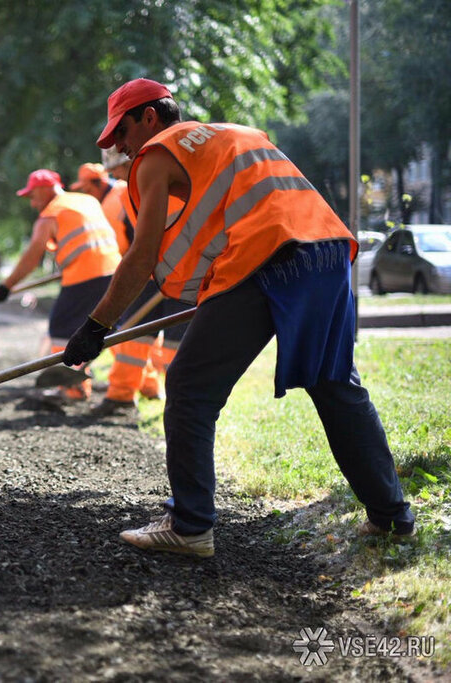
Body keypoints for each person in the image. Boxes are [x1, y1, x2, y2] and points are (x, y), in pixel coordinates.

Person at [63, 78, 414, 557]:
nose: (120, 148)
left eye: (120, 133)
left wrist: (95, 327)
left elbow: (142, 255)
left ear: (149, 115)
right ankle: (392, 518)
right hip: (325, 250)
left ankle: (189, 526)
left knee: (188, 387)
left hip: (266, 257)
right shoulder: (238, 135)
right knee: (336, 385)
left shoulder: (157, 154)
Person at [70, 158, 192, 415]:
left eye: (87, 188)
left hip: (169, 273)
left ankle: (177, 403)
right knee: (134, 338)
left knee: (170, 343)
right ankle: (133, 393)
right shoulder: (123, 193)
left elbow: (129, 247)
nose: (85, 194)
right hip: (155, 274)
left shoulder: (119, 197)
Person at [0, 169, 121, 401]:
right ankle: (82, 380)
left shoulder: (51, 213)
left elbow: (32, 257)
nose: (32, 203)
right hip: (115, 271)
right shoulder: (87, 200)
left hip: (85, 276)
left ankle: (70, 388)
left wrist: (6, 286)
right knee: (102, 326)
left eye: (32, 196)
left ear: (44, 189)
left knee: (62, 329)